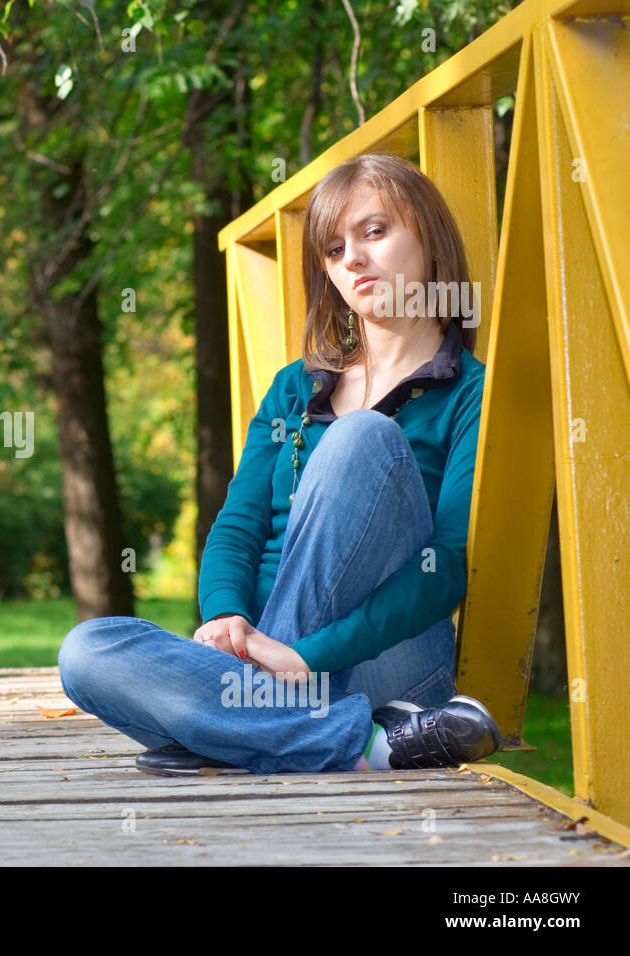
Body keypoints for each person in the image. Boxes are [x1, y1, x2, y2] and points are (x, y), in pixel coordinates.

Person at [57, 152, 502, 775]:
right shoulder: (297, 386)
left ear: (430, 239)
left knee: (361, 438)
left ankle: (235, 724)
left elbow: (446, 566)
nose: (352, 258)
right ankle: (361, 745)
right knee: (86, 651)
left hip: (387, 662)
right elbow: (238, 523)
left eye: (374, 231)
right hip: (284, 669)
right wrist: (225, 617)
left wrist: (304, 657)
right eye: (333, 247)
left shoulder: (473, 393)